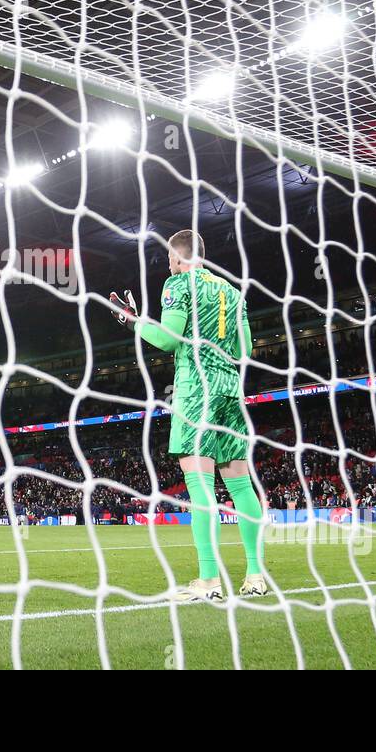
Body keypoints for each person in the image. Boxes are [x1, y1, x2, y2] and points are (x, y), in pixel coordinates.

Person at [109, 229, 266, 601]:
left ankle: (209, 580)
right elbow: (245, 349)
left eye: (168, 260)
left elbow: (168, 340)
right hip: (231, 390)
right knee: (241, 486)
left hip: (196, 389)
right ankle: (255, 575)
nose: (168, 265)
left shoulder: (178, 283)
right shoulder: (233, 291)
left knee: (200, 485)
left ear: (178, 258)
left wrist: (133, 321)